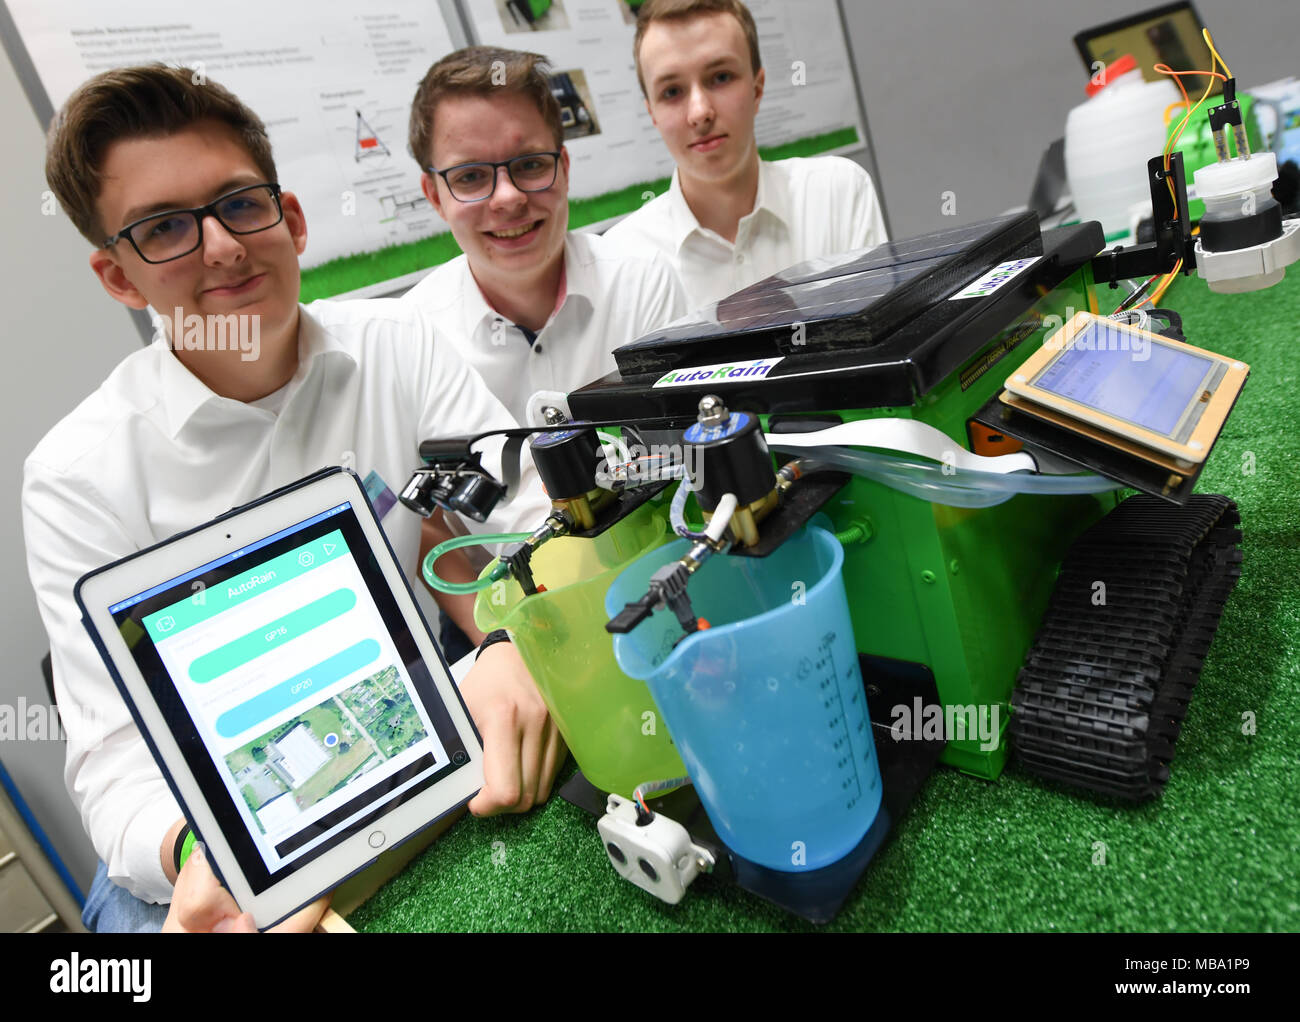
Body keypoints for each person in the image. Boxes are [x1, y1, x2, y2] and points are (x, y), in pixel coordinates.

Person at [24, 65, 564, 932]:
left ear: (292, 219)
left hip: (421, 740)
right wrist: (201, 859)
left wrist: (513, 632)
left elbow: (534, 518)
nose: (224, 246)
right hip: (211, 835)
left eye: (240, 204)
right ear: (118, 278)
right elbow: (114, 764)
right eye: (165, 227)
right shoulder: (77, 475)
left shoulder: (398, 346)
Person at [404, 46, 686, 425]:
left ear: (565, 169)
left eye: (531, 164)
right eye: (470, 176)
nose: (508, 198)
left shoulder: (642, 286)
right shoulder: (414, 340)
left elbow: (675, 447)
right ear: (435, 195)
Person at [605, 0, 889, 310]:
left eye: (721, 77)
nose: (700, 113)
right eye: (672, 92)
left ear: (757, 89)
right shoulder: (622, 260)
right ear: (652, 114)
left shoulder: (838, 193)